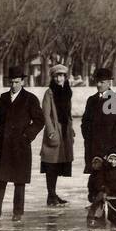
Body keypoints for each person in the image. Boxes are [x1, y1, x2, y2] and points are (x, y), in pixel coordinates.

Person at [0, 65, 44, 221]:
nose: (13, 85)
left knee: (19, 180)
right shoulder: (4, 97)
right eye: (11, 82)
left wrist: (27, 136)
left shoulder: (30, 99)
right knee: (0, 179)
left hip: (20, 145)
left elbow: (39, 120)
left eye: (17, 82)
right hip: (3, 145)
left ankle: (18, 212)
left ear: (22, 81)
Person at [81, 67, 116, 173]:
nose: (98, 85)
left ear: (109, 83)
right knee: (95, 179)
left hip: (111, 146)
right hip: (93, 146)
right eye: (97, 82)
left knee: (112, 177)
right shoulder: (91, 100)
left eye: (102, 82)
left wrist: (113, 137)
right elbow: (85, 122)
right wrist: (88, 137)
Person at [39, 63, 74, 206]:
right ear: (53, 78)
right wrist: (51, 131)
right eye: (56, 76)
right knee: (51, 164)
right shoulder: (49, 92)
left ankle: (53, 194)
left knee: (58, 163)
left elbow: (68, 111)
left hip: (65, 130)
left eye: (61, 76)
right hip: (54, 130)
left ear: (65, 77)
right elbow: (45, 114)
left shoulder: (67, 91)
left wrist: (71, 128)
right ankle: (51, 195)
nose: (59, 79)